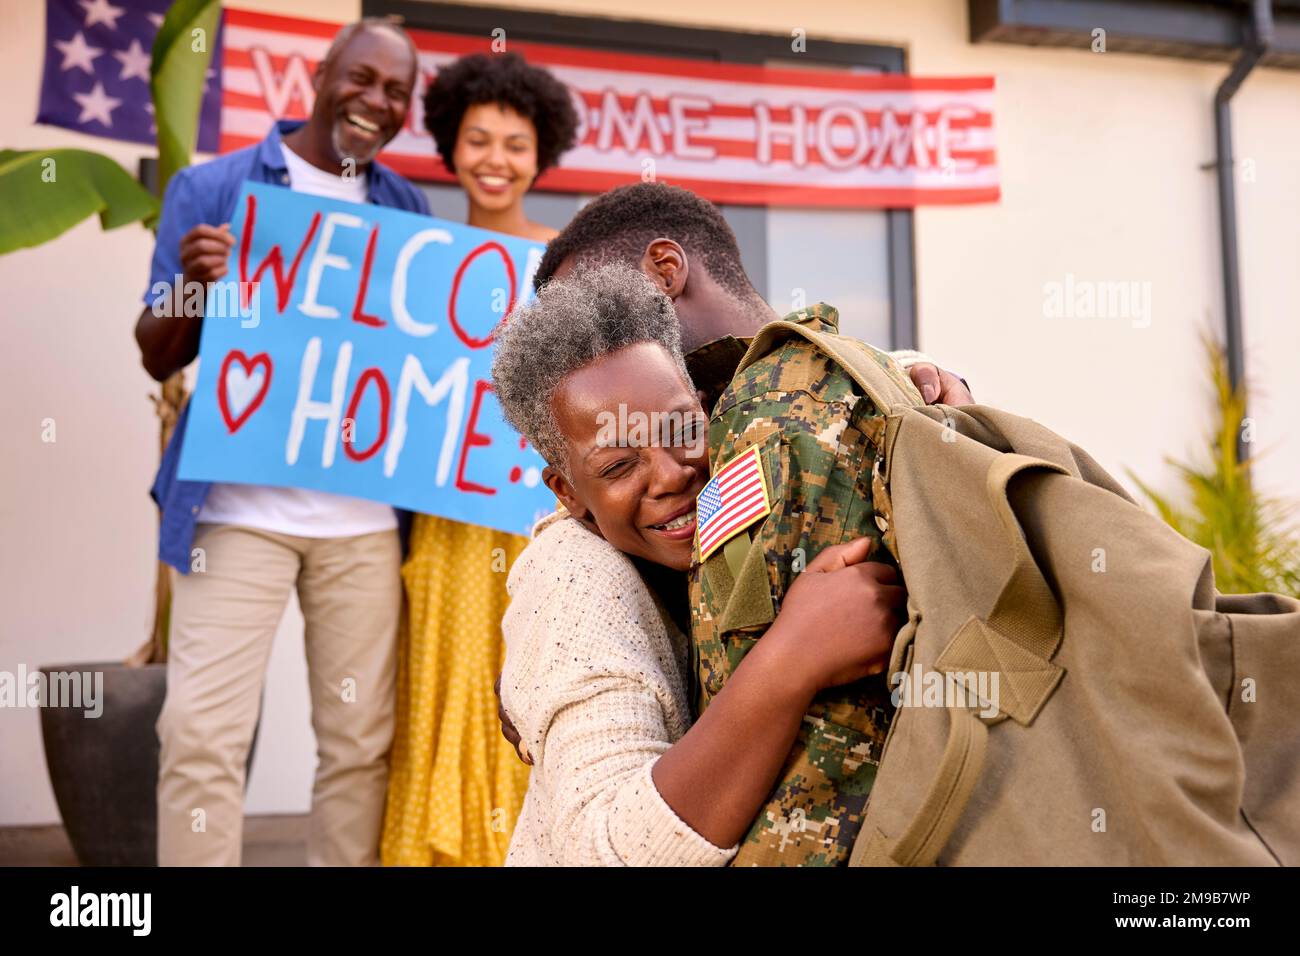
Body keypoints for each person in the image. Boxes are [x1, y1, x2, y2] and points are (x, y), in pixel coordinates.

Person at [501, 181, 975, 865]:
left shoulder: (781, 434)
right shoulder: (573, 570)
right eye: (616, 467)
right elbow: (601, 849)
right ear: (568, 494)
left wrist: (911, 386)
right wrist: (794, 657)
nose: (668, 474)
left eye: (679, 427)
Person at [134, 18, 427, 867]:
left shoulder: (404, 207)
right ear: (324, 72)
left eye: (396, 93)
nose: (376, 101)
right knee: (199, 733)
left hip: (364, 524)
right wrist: (192, 288)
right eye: (362, 78)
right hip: (237, 512)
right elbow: (157, 350)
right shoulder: (215, 189)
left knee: (359, 744)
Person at [381, 52, 579, 867]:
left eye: (515, 144)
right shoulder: (408, 259)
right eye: (478, 140)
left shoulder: (562, 266)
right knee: (439, 677)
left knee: (524, 680)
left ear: (542, 156)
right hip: (440, 512)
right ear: (449, 147)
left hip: (532, 514)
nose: (495, 159)